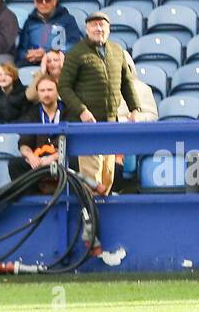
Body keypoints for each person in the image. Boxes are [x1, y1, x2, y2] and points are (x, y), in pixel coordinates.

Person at [58, 11, 142, 194]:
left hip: (111, 122)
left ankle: (102, 213)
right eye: (94, 25)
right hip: (87, 124)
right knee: (92, 176)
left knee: (108, 174)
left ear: (108, 28)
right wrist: (82, 110)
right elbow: (63, 87)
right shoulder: (75, 53)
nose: (98, 28)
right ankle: (91, 215)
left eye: (102, 25)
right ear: (86, 29)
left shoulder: (117, 51)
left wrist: (135, 108)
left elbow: (126, 81)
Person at [9, 76, 66, 187]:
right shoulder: (32, 113)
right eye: (42, 90)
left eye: (50, 90)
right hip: (39, 160)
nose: (46, 94)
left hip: (62, 158)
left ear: (57, 91)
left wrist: (53, 157)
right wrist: (31, 157)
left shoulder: (68, 111)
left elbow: (73, 142)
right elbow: (24, 143)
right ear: (38, 94)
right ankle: (30, 201)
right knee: (15, 164)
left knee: (76, 161)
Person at [15, 0, 82, 67]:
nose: (44, 3)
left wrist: (47, 53)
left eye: (48, 0)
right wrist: (28, 55)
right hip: (33, 62)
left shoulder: (68, 19)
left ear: (54, 1)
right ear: (35, 3)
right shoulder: (29, 22)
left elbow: (73, 45)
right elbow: (22, 49)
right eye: (40, 0)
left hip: (60, 62)